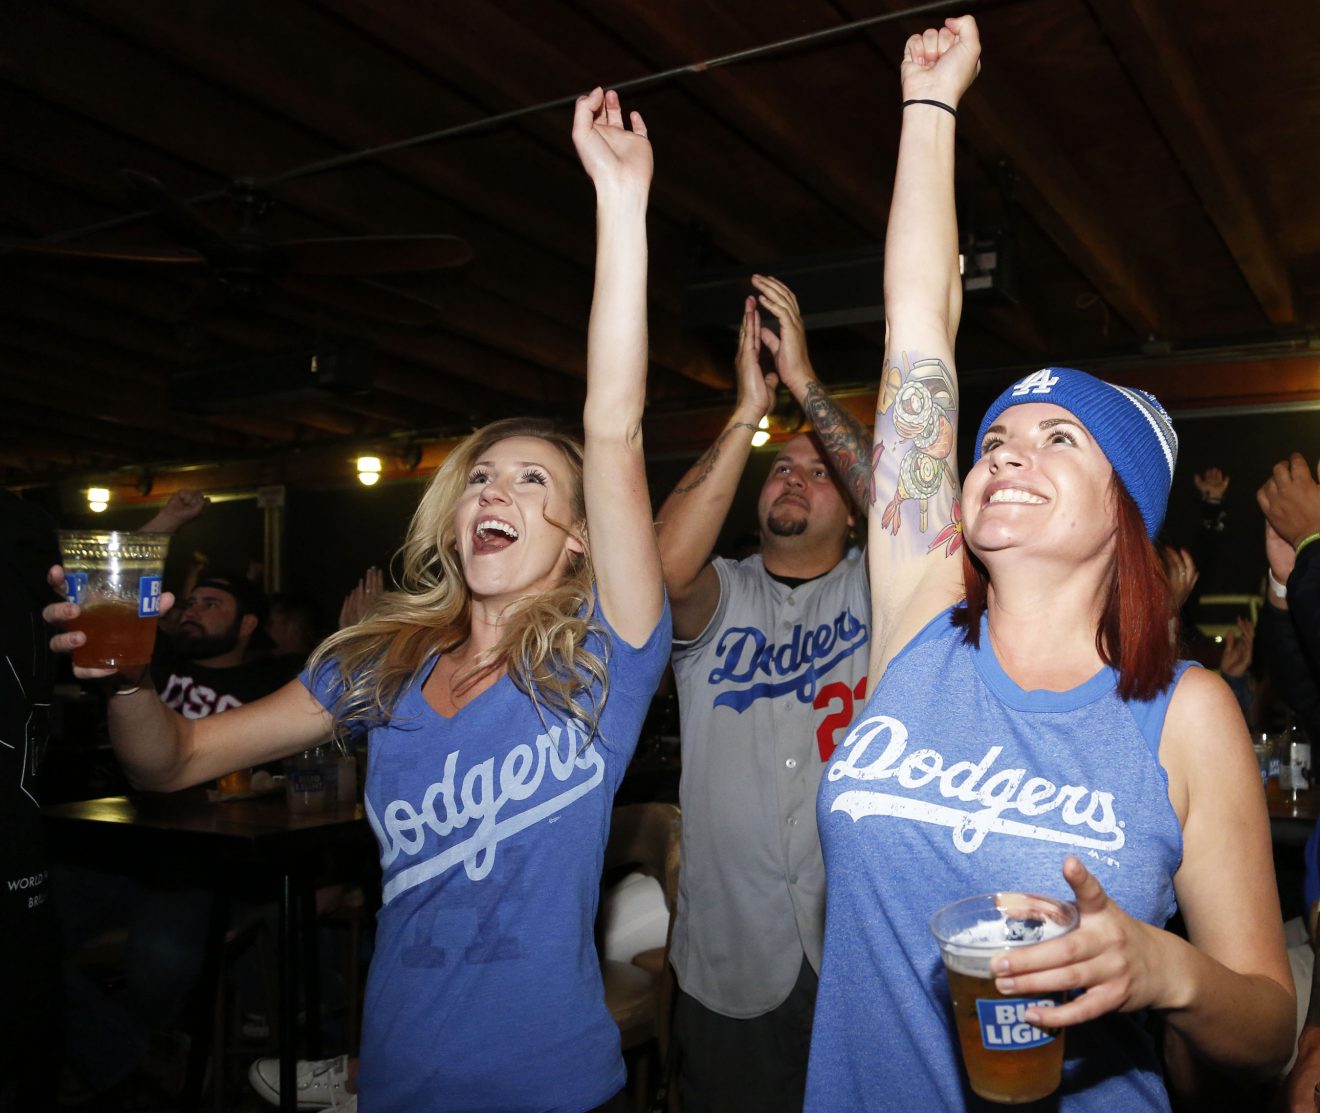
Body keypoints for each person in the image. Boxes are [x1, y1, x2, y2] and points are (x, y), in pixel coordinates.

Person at [46, 84, 667, 1113]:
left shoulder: (605, 656)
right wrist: (130, 675)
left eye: (529, 482)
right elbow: (175, 763)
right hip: (395, 1074)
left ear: (577, 541)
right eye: (478, 476)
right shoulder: (380, 662)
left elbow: (614, 424)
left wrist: (619, 202)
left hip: (546, 1084)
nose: (493, 493)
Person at [806, 16, 1293, 1112]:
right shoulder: (919, 620)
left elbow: (1267, 1027)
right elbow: (917, 341)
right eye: (994, 442)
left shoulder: (1184, 713)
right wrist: (928, 110)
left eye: (1057, 440)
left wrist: (1163, 970)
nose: (1008, 452)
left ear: (1124, 508)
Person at [655, 277, 875, 1111]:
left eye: (819, 472)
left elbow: (907, 513)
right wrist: (749, 409)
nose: (793, 478)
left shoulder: (878, 589)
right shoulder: (724, 592)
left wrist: (808, 385)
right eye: (781, 468)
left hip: (855, 949)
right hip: (731, 953)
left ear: (851, 511)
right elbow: (660, 570)